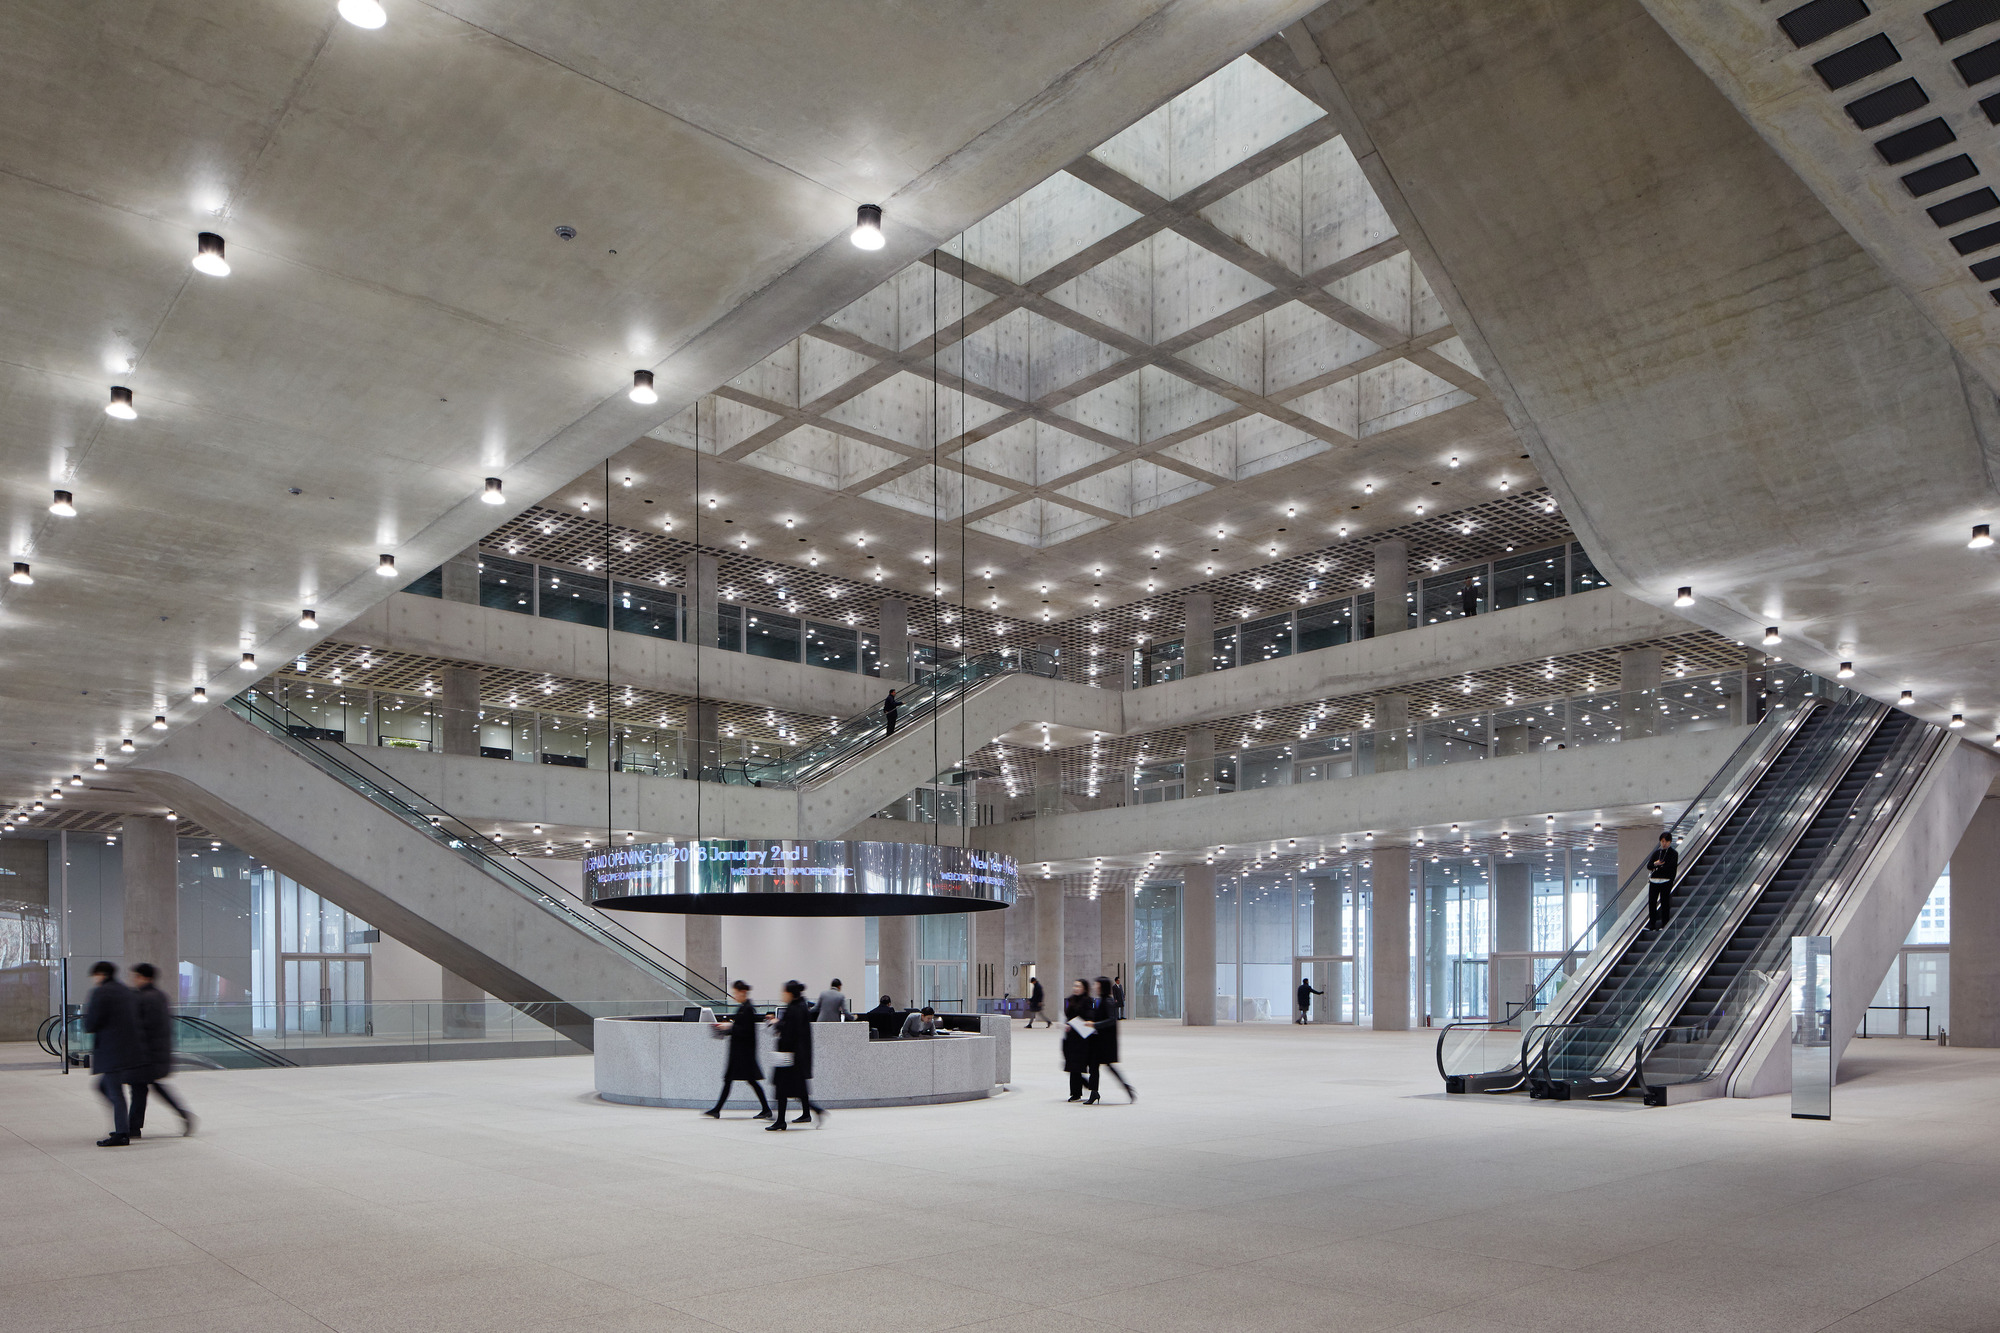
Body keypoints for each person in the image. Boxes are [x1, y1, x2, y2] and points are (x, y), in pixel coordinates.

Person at [127, 963, 194, 1138]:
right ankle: (134, 1127)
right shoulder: (158, 996)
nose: (134, 980)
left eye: (136, 976)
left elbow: (144, 1027)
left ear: (145, 977)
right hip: (155, 1052)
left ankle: (183, 1115)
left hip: (149, 1053)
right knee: (143, 1087)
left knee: (143, 1088)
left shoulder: (146, 998)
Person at [80, 961, 140, 1146]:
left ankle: (122, 1133)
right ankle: (122, 1125)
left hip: (111, 1050)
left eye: (95, 975)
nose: (94, 979)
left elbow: (91, 1024)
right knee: (105, 1087)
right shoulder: (125, 990)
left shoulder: (101, 992)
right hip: (127, 1048)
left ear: (101, 974)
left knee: (114, 1092)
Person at [704, 980, 771, 1120]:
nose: (734, 995)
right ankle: (717, 1109)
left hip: (743, 1053)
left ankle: (766, 1109)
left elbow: (746, 1031)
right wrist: (727, 1027)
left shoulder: (747, 1009)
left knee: (746, 1080)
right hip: (740, 1052)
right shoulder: (744, 1008)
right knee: (735, 1080)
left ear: (742, 992)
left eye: (735, 992)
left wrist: (729, 1027)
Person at [766, 980, 825, 1130]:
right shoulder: (800, 1006)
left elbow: (790, 1033)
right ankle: (812, 1112)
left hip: (790, 1056)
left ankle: (781, 1120)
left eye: (783, 992)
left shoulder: (794, 1008)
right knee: (795, 1089)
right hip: (796, 1055)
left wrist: (777, 1025)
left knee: (783, 1088)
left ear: (790, 993)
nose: (782, 995)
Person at [1091, 976, 1134, 1102]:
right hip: (1101, 1039)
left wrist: (1094, 1025)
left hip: (1106, 1042)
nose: (1095, 986)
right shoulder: (1103, 1000)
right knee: (1095, 1066)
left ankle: (1126, 1087)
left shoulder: (1108, 1001)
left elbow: (1111, 1019)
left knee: (1106, 1066)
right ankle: (1094, 1092)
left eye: (1097, 984)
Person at [1061, 979, 1095, 1103]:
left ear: (1084, 988)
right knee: (1070, 1064)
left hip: (1081, 1037)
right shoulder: (1070, 1000)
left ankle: (1076, 1093)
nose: (1075, 988)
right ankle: (1078, 1089)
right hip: (1070, 1036)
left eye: (1078, 986)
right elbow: (1068, 1016)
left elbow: (1090, 1018)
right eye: (1074, 986)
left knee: (1076, 1065)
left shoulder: (1087, 1001)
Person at [1647, 832, 1679, 931]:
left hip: (1666, 881)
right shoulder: (1657, 853)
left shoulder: (1673, 853)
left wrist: (1657, 866)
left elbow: (1671, 867)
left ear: (1669, 842)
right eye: (1662, 841)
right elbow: (1649, 865)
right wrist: (1656, 864)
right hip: (1654, 881)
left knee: (1664, 902)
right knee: (1652, 902)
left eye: (1665, 841)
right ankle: (1652, 924)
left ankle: (1664, 923)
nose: (1664, 843)